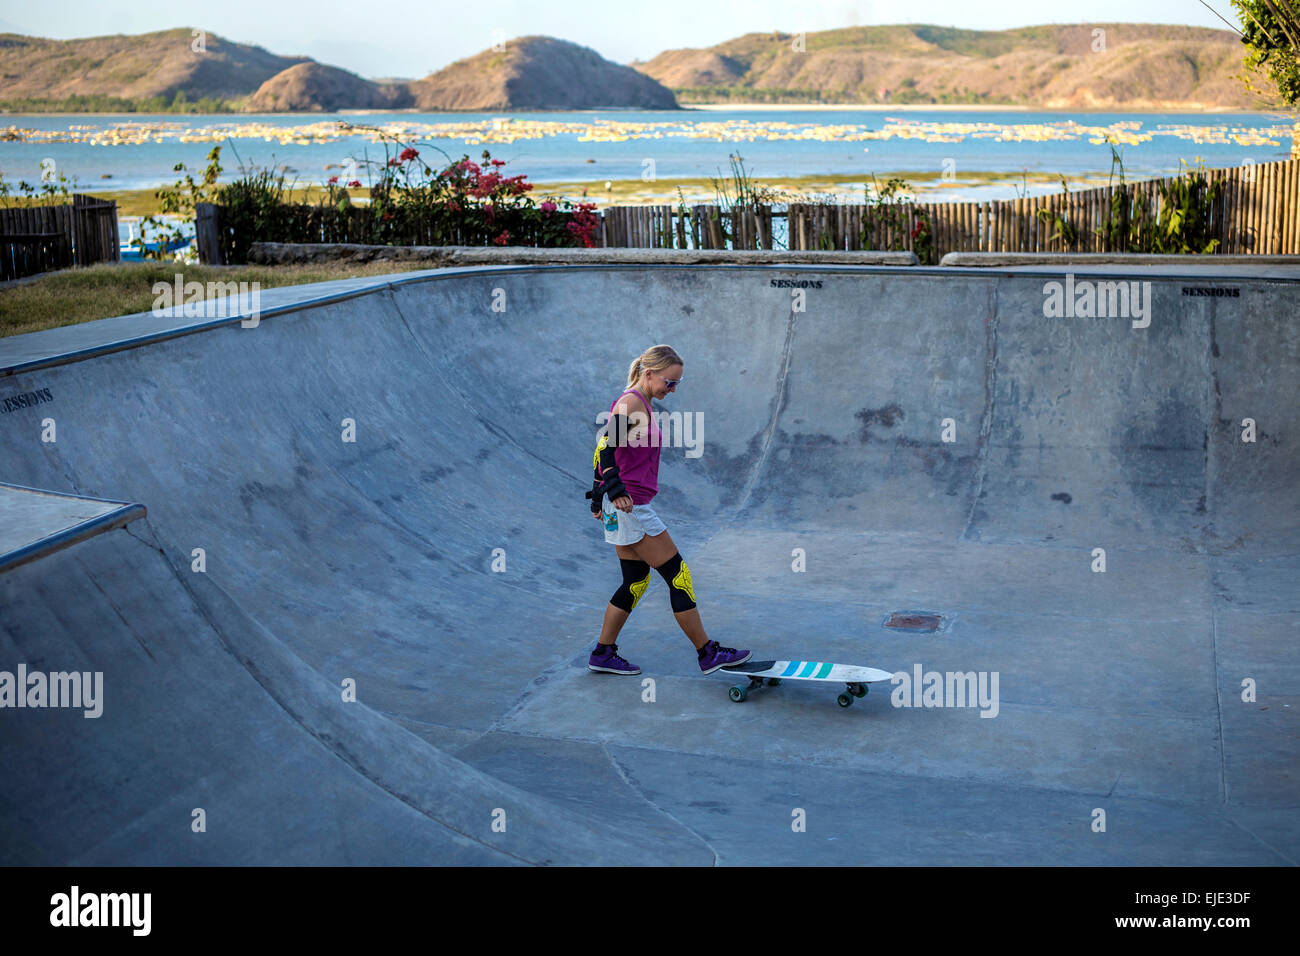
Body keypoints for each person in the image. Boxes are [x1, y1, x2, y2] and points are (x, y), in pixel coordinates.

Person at [585, 344, 750, 676]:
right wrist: (612, 490)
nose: (672, 390)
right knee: (679, 576)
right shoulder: (632, 402)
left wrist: (598, 493)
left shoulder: (638, 402)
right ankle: (707, 653)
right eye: (669, 382)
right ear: (649, 374)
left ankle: (603, 653)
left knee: (635, 580)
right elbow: (608, 449)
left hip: (624, 505)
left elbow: (603, 446)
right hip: (631, 506)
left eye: (678, 383)